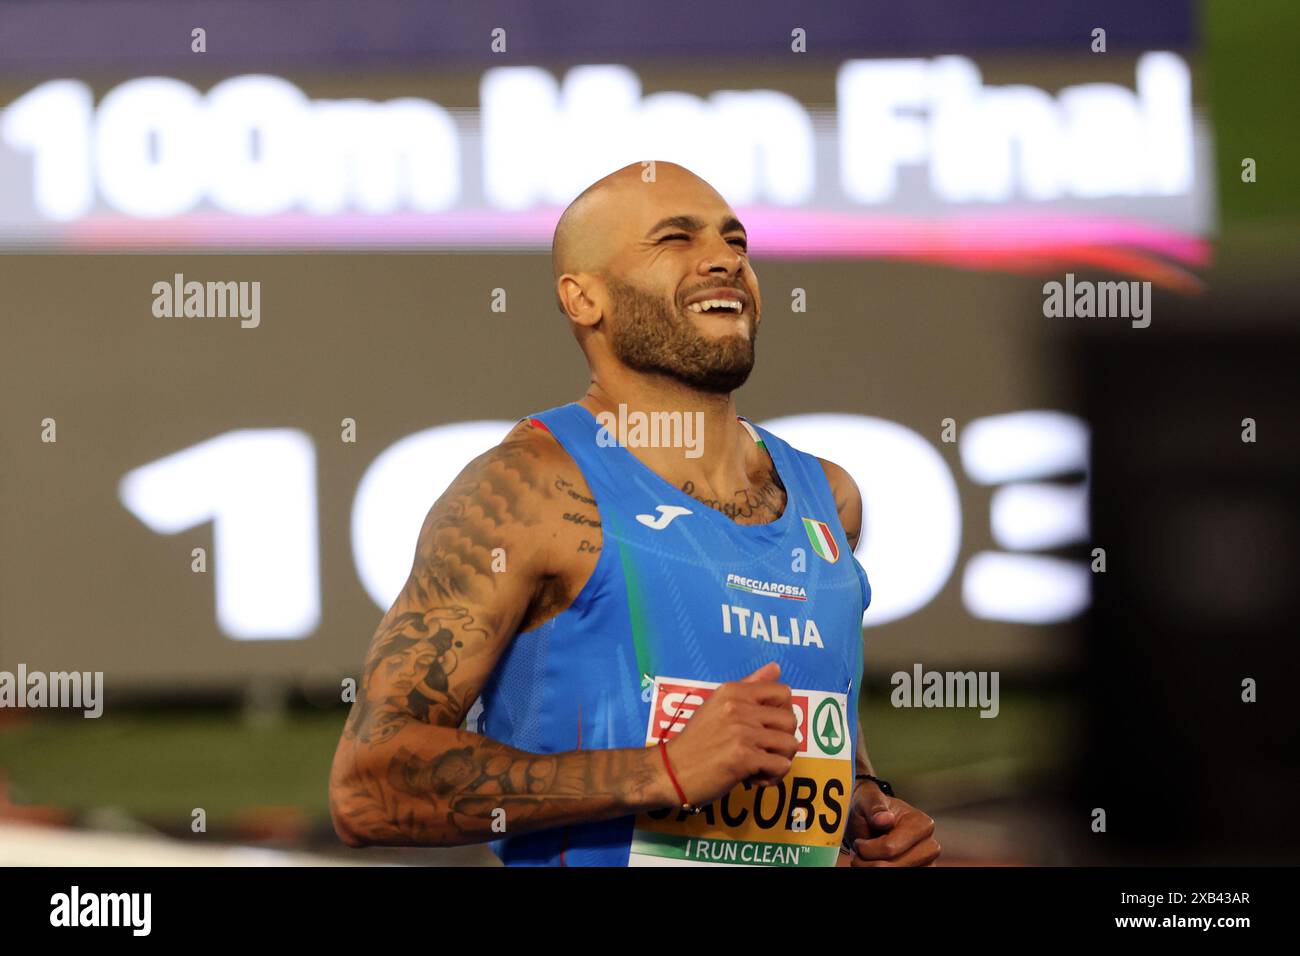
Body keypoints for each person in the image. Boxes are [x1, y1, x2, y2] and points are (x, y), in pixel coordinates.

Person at [329, 160, 939, 867]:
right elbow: (366, 789)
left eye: (736, 241)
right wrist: (665, 772)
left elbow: (807, 721)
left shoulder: (828, 499)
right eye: (675, 239)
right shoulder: (527, 495)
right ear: (584, 298)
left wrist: (863, 801)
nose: (725, 260)